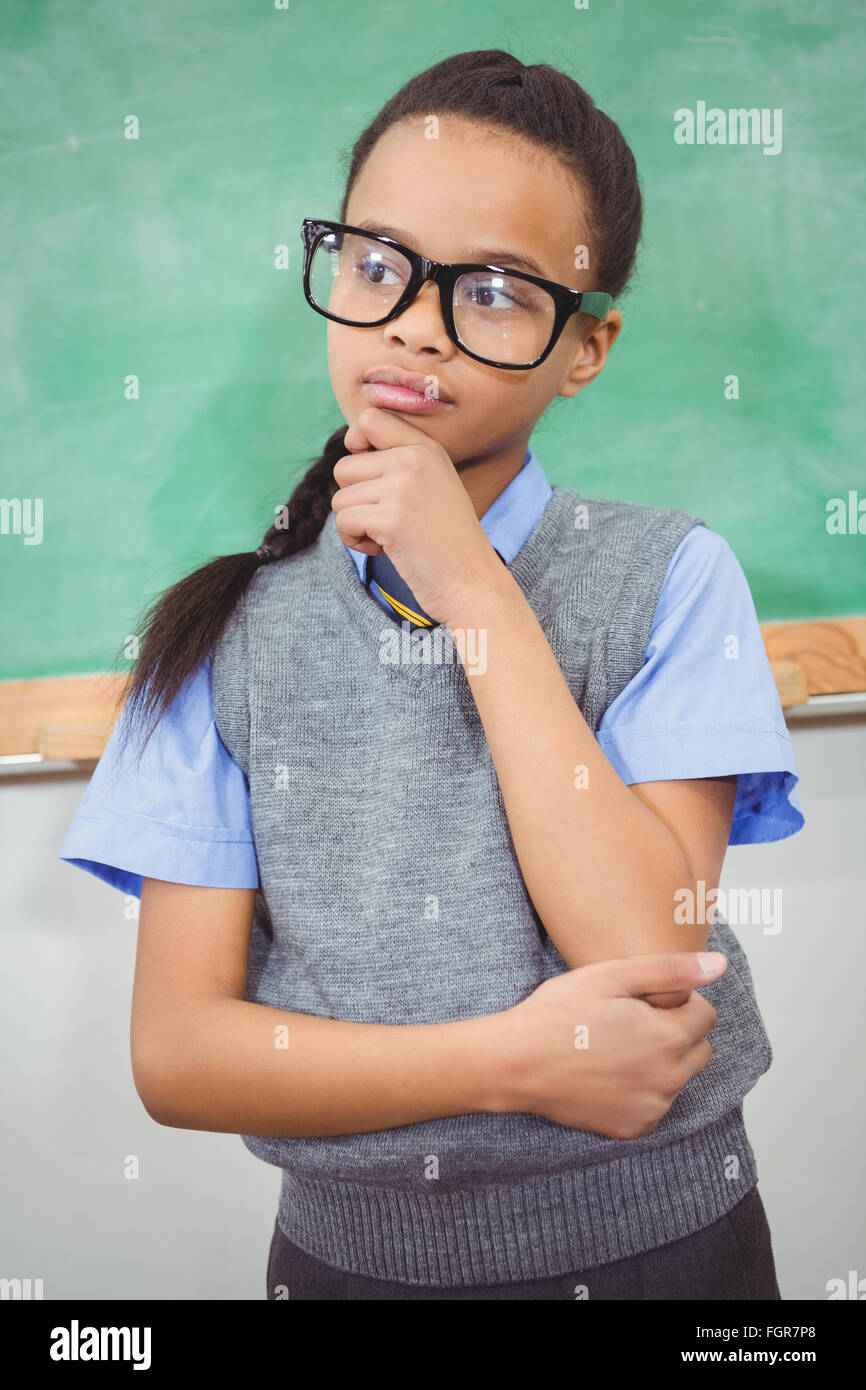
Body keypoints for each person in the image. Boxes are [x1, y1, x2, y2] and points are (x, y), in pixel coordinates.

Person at [59, 48, 803, 1300]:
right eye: (375, 263)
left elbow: (646, 941)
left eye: (498, 292)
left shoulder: (669, 577)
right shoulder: (220, 635)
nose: (412, 322)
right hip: (348, 1267)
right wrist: (509, 1060)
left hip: (664, 1255)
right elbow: (179, 1053)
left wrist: (472, 593)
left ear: (587, 345)